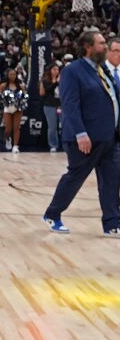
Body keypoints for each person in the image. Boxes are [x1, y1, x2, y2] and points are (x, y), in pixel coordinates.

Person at [43, 29, 120, 235]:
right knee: (75, 178)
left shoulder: (101, 69)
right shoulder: (72, 71)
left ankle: (112, 224)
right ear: (88, 47)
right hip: (85, 138)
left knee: (111, 182)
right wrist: (80, 133)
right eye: (102, 43)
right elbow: (70, 105)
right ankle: (52, 214)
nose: (106, 46)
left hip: (109, 137)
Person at [40, 61, 61, 152]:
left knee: (63, 125)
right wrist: (56, 82)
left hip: (60, 104)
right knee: (52, 126)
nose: (56, 71)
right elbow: (48, 90)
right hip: (49, 105)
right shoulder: (45, 81)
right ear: (50, 70)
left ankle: (65, 144)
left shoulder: (62, 80)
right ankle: (53, 144)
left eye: (57, 69)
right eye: (54, 69)